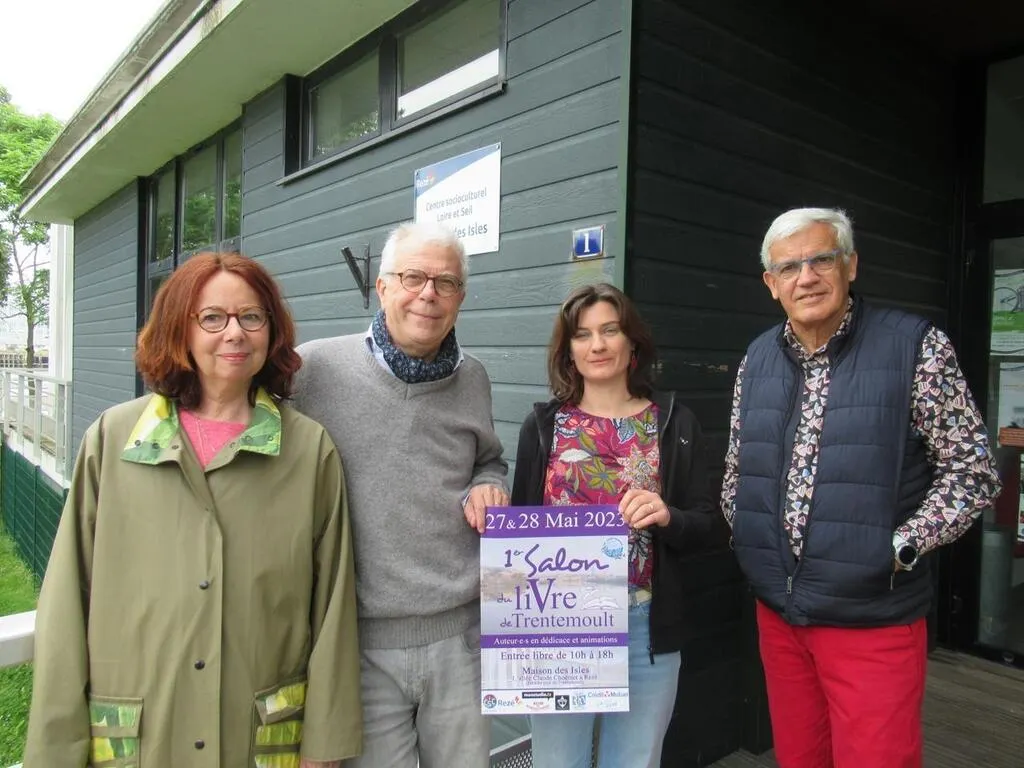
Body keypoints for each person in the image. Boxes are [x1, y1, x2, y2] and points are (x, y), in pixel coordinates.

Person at [24, 252, 361, 768]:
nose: (235, 333)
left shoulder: (308, 451)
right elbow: (68, 599)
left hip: (261, 741)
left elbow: (334, 605)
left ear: (271, 331)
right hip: (138, 742)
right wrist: (56, 750)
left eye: (252, 317)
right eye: (212, 318)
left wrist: (325, 744)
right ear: (179, 330)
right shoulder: (114, 440)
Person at [721, 207, 1002, 768]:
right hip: (781, 613)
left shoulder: (915, 347)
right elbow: (737, 467)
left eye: (821, 258)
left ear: (850, 265)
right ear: (770, 284)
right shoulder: (757, 358)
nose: (807, 276)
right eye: (789, 266)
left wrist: (900, 548)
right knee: (801, 758)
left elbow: (972, 470)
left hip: (873, 616)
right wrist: (751, 539)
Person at [291, 221, 509, 768]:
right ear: (383, 287)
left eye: (446, 282)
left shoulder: (474, 377)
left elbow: (487, 457)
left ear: (461, 296)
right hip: (356, 644)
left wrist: (489, 483)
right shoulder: (311, 369)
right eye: (413, 277)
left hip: (461, 638)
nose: (428, 294)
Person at [511, 283, 722, 768]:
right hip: (559, 624)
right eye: (582, 335)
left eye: (610, 330)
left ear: (633, 344)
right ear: (568, 352)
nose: (598, 344)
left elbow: (709, 526)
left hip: (644, 627)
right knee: (557, 762)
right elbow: (519, 535)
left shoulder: (673, 422)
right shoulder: (544, 427)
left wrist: (667, 517)